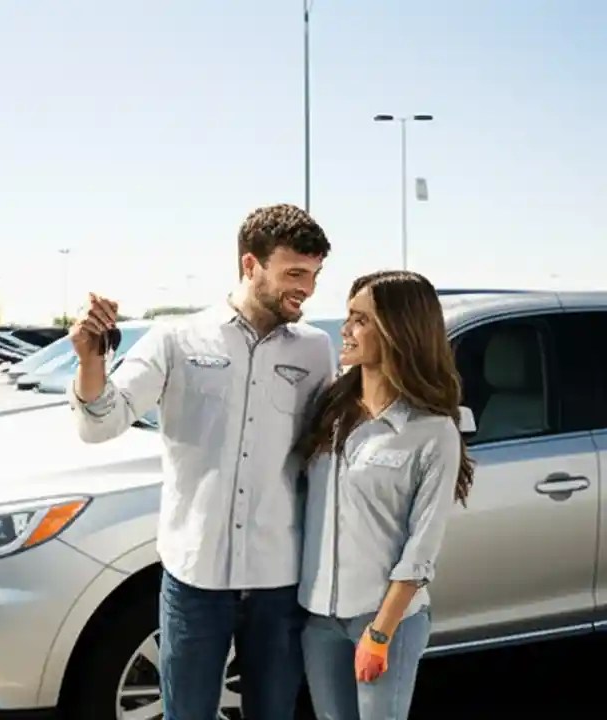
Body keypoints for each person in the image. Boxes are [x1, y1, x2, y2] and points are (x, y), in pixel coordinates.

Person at [68, 203, 335, 720]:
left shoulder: (316, 351)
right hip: (195, 580)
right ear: (250, 265)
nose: (306, 288)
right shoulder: (176, 339)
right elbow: (99, 423)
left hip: (279, 581)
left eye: (314, 275)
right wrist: (90, 358)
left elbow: (331, 450)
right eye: (294, 273)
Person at [295, 270, 474, 720]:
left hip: (384, 621)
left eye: (361, 320)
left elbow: (422, 548)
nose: (346, 329)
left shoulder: (433, 432)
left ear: (398, 331)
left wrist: (380, 632)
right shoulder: (328, 414)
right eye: (348, 316)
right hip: (319, 620)